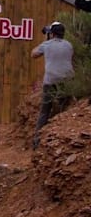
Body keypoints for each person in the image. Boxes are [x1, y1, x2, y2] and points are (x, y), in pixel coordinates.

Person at [31, 21, 75, 149]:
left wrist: (46, 40)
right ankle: (61, 140)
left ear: (52, 33)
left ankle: (37, 142)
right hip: (67, 81)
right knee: (63, 108)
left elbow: (33, 54)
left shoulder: (47, 44)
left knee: (45, 111)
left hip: (50, 80)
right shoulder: (69, 45)